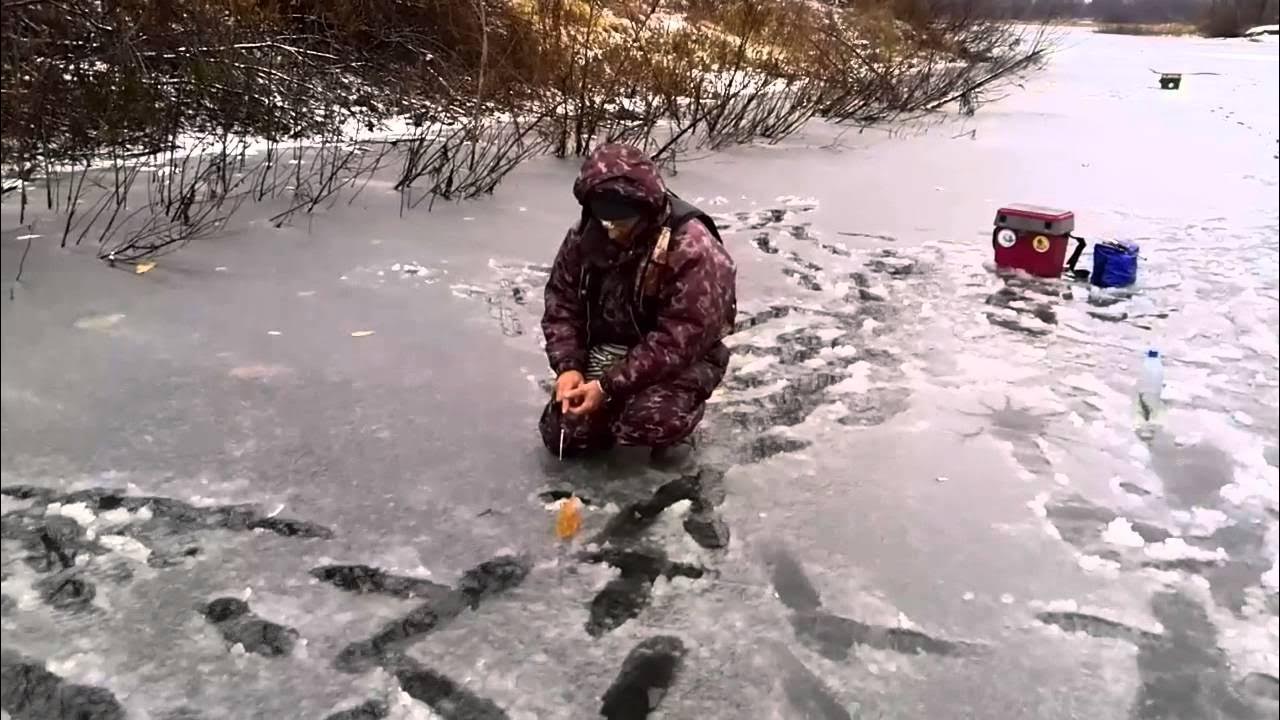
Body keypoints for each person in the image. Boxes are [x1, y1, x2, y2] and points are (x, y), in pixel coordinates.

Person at [539, 143, 737, 459]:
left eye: (622, 223)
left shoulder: (693, 248)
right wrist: (568, 367)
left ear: (645, 211)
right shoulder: (584, 236)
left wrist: (607, 387)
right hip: (607, 351)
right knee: (563, 434)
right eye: (604, 222)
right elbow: (562, 304)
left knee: (649, 421)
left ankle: (680, 422)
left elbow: (680, 340)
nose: (612, 231)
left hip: (683, 360)